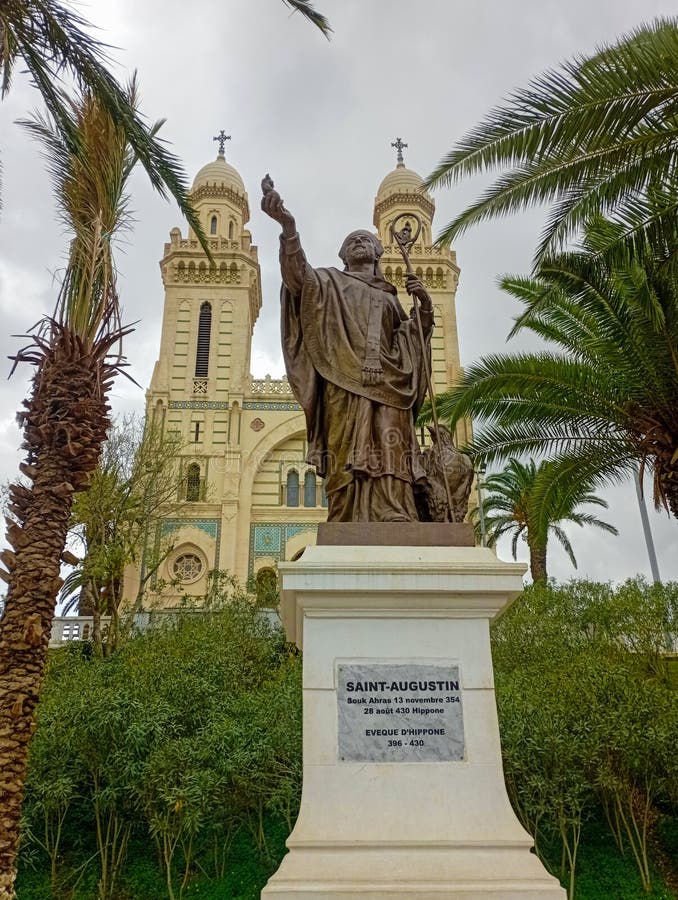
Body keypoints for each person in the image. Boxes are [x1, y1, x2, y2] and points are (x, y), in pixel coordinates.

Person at [261, 175, 433, 522]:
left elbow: (411, 336)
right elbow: (296, 277)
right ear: (343, 255)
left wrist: (425, 305)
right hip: (341, 382)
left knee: (390, 443)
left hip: (388, 383)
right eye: (352, 241)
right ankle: (347, 515)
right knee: (344, 448)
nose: (358, 242)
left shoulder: (389, 297)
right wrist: (288, 228)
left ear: (377, 251)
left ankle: (393, 510)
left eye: (365, 239)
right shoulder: (327, 282)